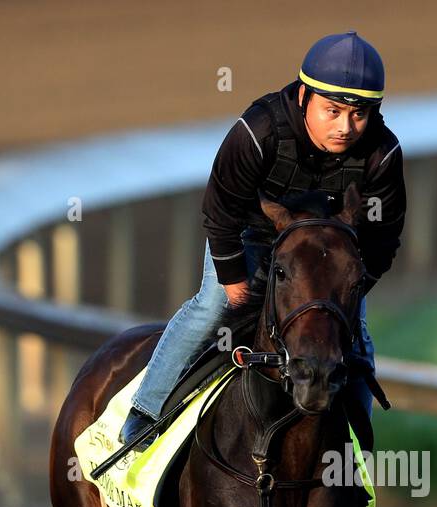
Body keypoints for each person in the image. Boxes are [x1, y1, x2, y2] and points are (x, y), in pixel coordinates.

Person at [118, 30, 405, 448]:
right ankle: (146, 410)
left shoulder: (383, 152)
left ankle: (355, 444)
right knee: (212, 304)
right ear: (305, 96)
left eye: (359, 115)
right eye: (333, 111)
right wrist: (233, 278)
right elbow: (220, 210)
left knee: (354, 330)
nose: (346, 127)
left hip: (327, 254)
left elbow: (384, 238)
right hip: (252, 234)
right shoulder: (259, 130)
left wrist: (348, 286)